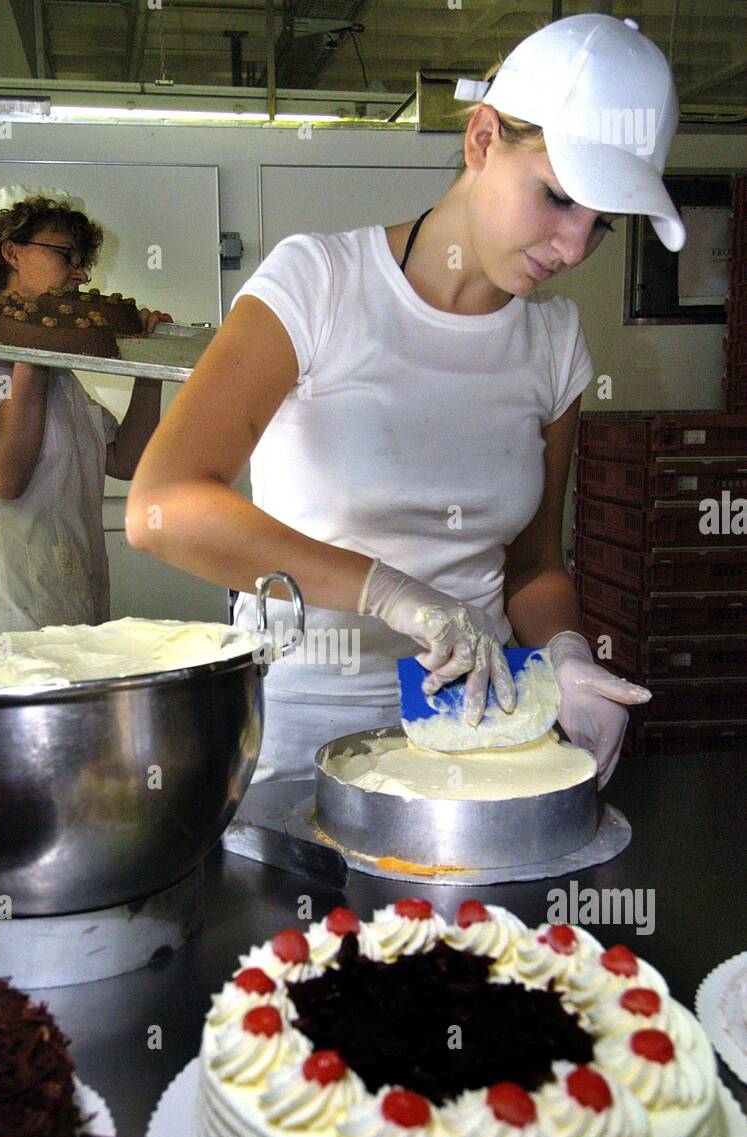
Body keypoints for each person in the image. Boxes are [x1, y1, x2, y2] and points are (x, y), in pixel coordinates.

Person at [127, 15, 683, 788]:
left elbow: (531, 566)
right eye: (557, 198)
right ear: (482, 139)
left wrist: (564, 653)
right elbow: (161, 507)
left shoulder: (553, 343)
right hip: (305, 732)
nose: (571, 248)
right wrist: (390, 593)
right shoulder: (318, 284)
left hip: (479, 726)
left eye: (601, 225)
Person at [0, 186, 172, 632]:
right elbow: (4, 477)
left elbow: (125, 460)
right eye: (66, 256)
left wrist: (149, 368)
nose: (82, 275)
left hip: (68, 603)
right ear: (11, 253)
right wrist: (31, 349)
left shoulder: (58, 373)